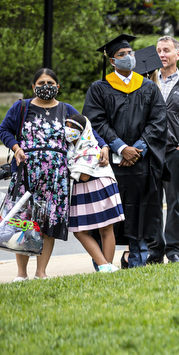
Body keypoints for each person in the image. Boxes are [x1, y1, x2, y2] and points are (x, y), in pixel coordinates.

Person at [83, 34, 167, 268]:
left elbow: (158, 121)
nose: (129, 58)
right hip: (111, 163)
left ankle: (137, 256)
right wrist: (121, 147)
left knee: (140, 211)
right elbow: (96, 122)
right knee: (107, 212)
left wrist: (137, 149)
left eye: (131, 53)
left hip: (141, 163)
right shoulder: (99, 89)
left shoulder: (148, 87)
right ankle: (104, 262)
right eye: (122, 55)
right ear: (112, 61)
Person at [0, 69, 76, 281]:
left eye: (50, 82)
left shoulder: (66, 110)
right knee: (24, 222)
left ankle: (41, 272)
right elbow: (3, 131)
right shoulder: (21, 107)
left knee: (48, 224)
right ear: (33, 87)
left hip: (56, 178)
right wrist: (16, 148)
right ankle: (21, 274)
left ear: (57, 86)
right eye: (41, 82)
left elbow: (87, 133)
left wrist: (103, 146)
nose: (46, 85)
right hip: (26, 175)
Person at [147, 36, 179, 264]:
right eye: (158, 51)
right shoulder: (147, 82)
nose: (162, 54)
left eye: (166, 50)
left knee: (175, 202)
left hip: (175, 152)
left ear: (178, 54)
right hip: (150, 152)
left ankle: (174, 250)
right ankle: (155, 250)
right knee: (152, 202)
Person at [65, 113, 123, 273]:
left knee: (106, 228)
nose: (69, 130)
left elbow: (83, 176)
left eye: (74, 128)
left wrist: (69, 166)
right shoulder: (71, 147)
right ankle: (106, 265)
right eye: (67, 126)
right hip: (83, 189)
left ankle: (106, 267)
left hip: (98, 186)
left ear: (84, 130)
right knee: (79, 231)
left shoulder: (89, 146)